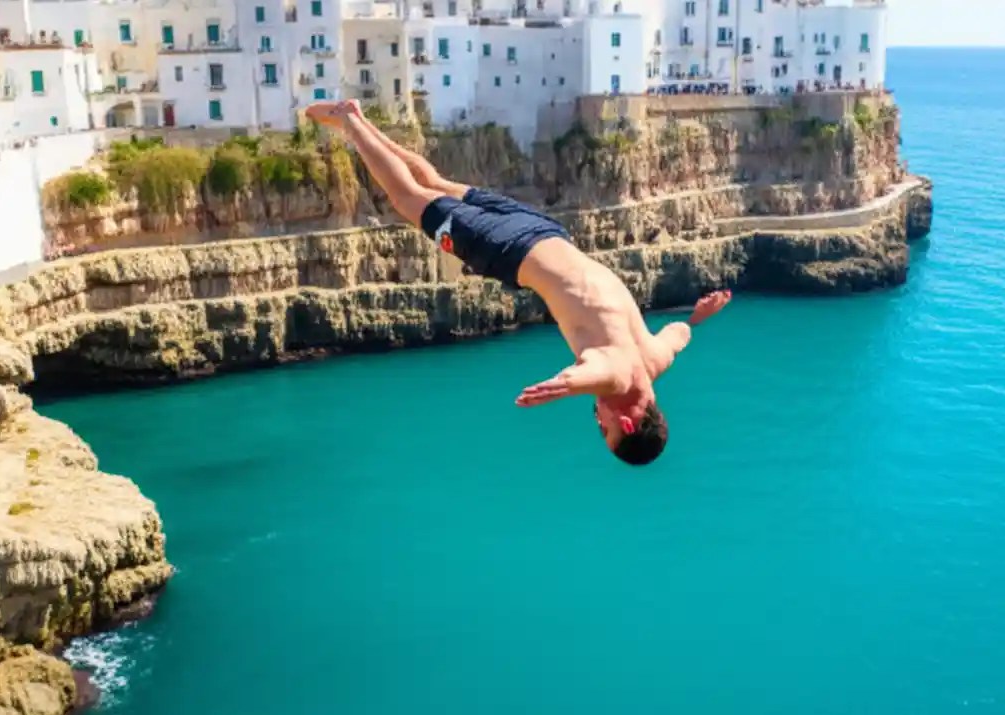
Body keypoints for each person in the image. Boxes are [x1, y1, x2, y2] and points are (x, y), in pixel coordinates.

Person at [305, 100, 732, 466]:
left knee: (435, 185)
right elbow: (593, 374)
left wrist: (697, 317)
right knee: (405, 197)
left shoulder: (656, 359)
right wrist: (559, 388)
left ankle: (361, 122)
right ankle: (351, 121)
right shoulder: (619, 381)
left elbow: (678, 336)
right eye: (606, 432)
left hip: (547, 232)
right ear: (628, 423)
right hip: (506, 251)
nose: (598, 422)